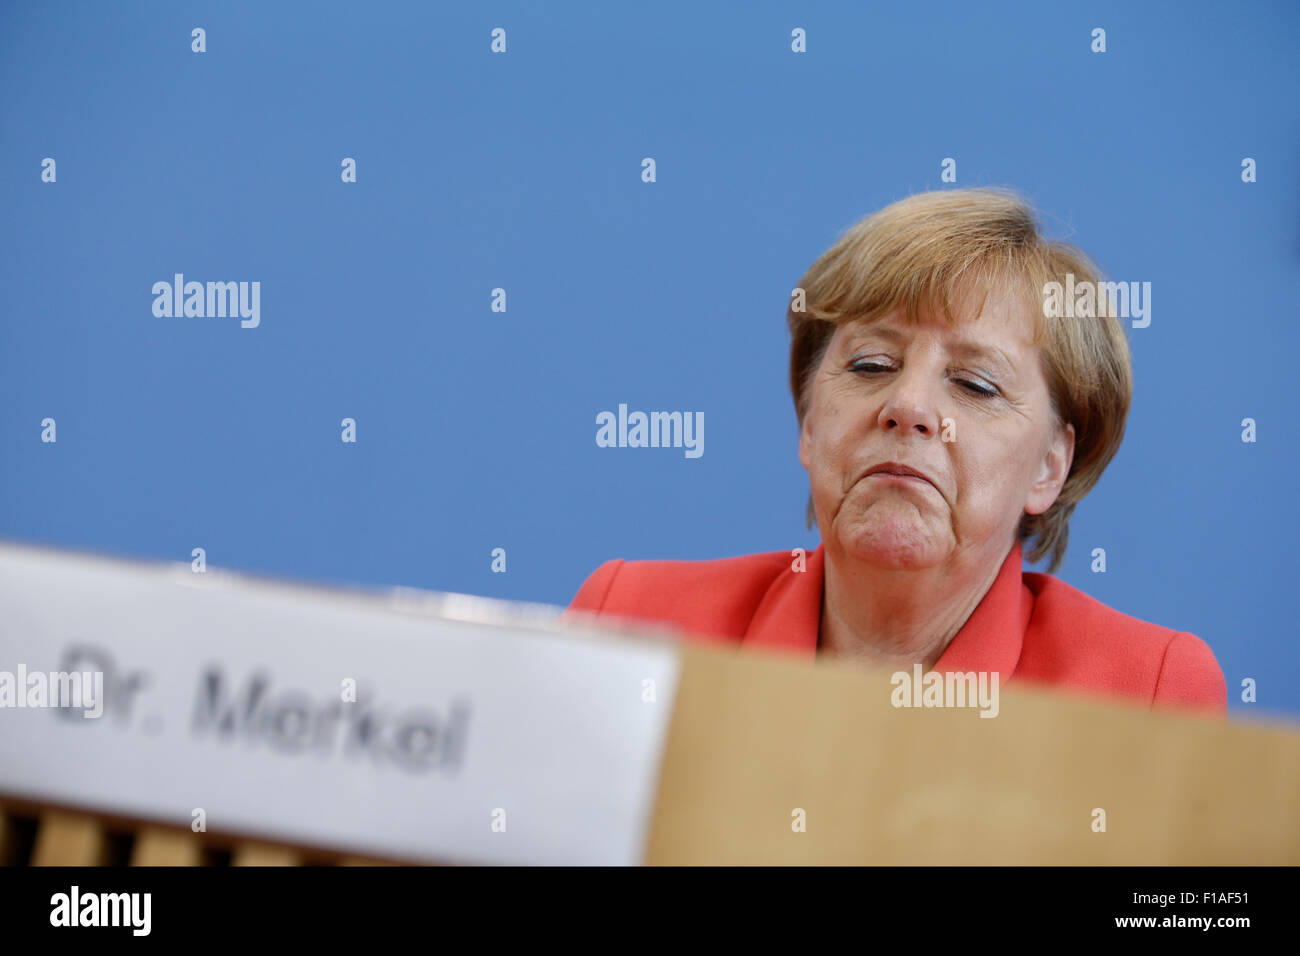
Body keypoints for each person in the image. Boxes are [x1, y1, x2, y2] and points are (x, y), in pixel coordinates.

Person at [567, 188, 1226, 715]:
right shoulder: (630, 622)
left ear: (1050, 467)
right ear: (807, 423)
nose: (909, 406)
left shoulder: (1147, 695)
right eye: (872, 364)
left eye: (975, 384)